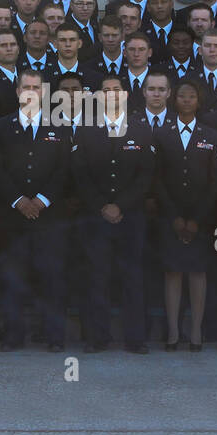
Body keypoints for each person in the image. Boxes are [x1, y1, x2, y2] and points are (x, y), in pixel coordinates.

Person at [0, 69, 71, 351]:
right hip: (12, 217)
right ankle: (13, 335)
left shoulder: (59, 126)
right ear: (17, 90)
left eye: (36, 87)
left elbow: (64, 170)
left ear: (44, 93)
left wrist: (43, 200)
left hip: (50, 217)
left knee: (52, 279)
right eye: (26, 87)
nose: (31, 91)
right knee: (12, 277)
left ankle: (54, 337)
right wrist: (19, 200)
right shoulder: (0, 126)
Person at [74, 77, 155, 353]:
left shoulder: (141, 130)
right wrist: (102, 205)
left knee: (133, 278)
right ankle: (98, 337)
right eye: (105, 90)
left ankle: (136, 339)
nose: (110, 94)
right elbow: (80, 174)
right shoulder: (86, 130)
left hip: (130, 217)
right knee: (97, 277)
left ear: (125, 94)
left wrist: (120, 205)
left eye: (115, 90)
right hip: (96, 217)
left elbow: (146, 175)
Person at [153, 79, 217, 350]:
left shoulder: (210, 135)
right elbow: (157, 179)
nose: (186, 100)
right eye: (181, 95)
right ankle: (173, 333)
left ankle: (195, 333)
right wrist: (174, 216)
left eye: (191, 96)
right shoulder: (163, 134)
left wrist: (197, 218)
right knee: (172, 272)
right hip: (170, 215)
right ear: (174, 99)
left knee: (197, 272)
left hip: (200, 218)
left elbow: (215, 181)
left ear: (198, 101)